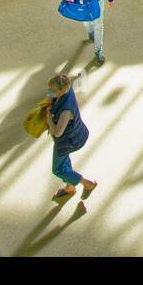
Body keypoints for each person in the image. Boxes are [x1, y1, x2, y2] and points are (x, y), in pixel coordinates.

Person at [45, 72, 98, 204]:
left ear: (62, 90)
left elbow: (57, 133)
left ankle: (87, 184)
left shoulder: (66, 111)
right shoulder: (67, 90)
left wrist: (48, 119)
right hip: (78, 133)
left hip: (68, 141)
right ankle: (70, 187)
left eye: (53, 90)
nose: (50, 92)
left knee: (58, 169)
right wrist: (52, 100)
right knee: (64, 162)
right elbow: (53, 96)